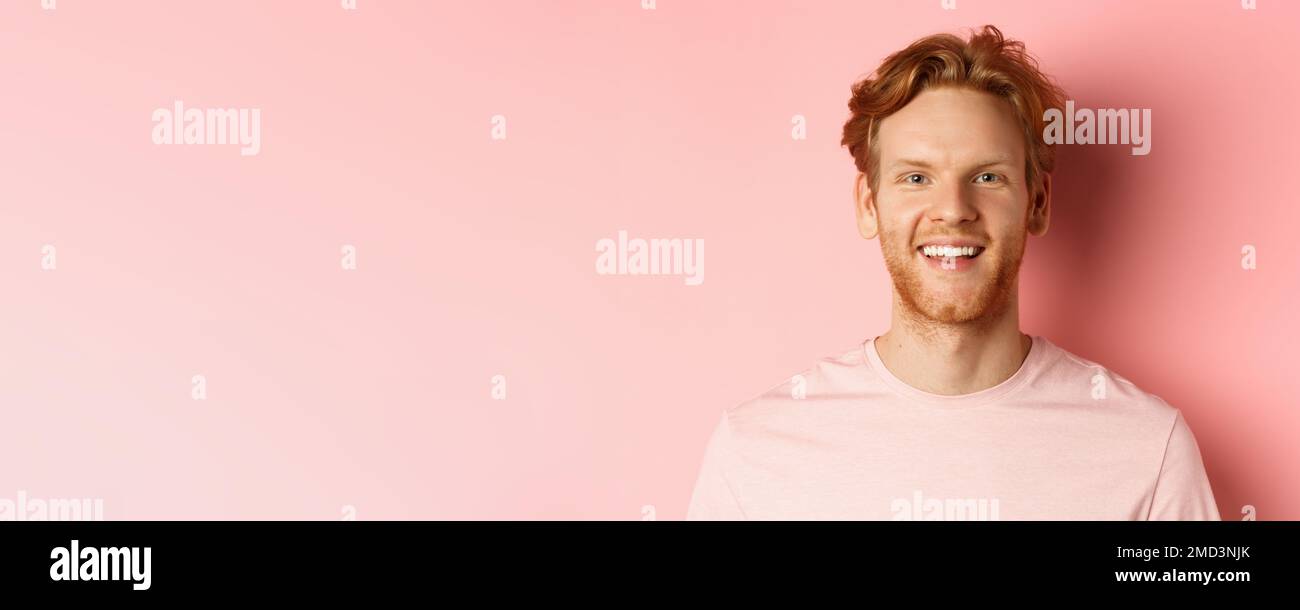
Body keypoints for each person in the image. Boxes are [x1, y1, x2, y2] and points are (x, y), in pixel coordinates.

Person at [685, 25, 1219, 520]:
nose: (953, 208)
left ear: (1037, 203)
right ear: (869, 206)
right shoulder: (754, 451)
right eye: (916, 177)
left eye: (987, 176)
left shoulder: (1149, 448)